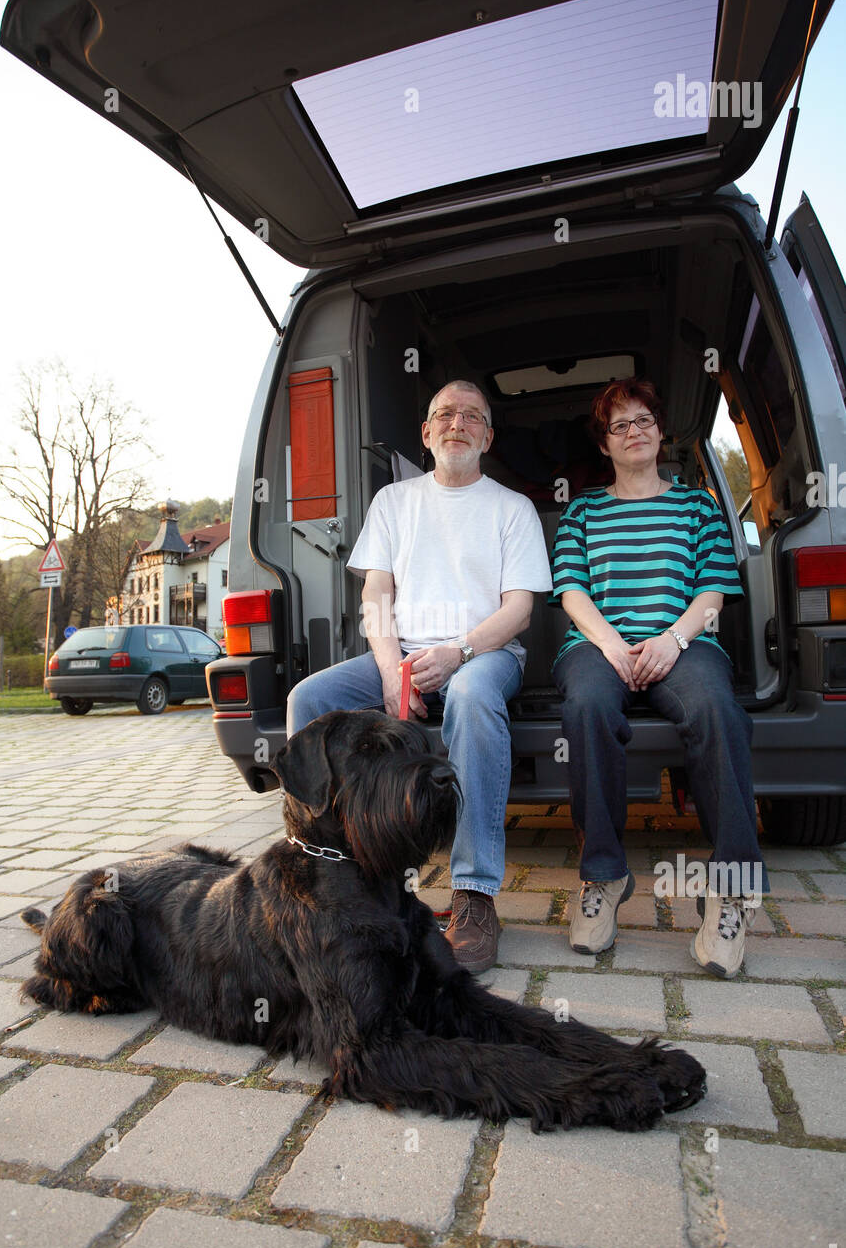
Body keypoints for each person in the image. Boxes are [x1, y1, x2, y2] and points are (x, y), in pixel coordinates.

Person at [287, 380, 552, 972]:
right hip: (399, 650)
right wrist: (389, 671)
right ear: (427, 434)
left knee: (475, 700)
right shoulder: (393, 502)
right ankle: (329, 868)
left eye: (472, 417)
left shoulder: (512, 509)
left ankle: (475, 896)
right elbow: (376, 594)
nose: (457, 424)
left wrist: (458, 653)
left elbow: (519, 610)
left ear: (487, 435)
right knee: (310, 699)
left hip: (485, 652)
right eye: (444, 415)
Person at [549, 378, 769, 978]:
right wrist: (615, 645)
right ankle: (604, 876)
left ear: (661, 429)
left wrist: (673, 640)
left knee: (717, 710)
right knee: (587, 708)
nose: (634, 431)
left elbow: (713, 591)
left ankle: (728, 890)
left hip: (685, 643)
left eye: (644, 419)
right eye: (620, 425)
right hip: (598, 644)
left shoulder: (697, 505)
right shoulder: (583, 511)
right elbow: (570, 591)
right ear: (605, 443)